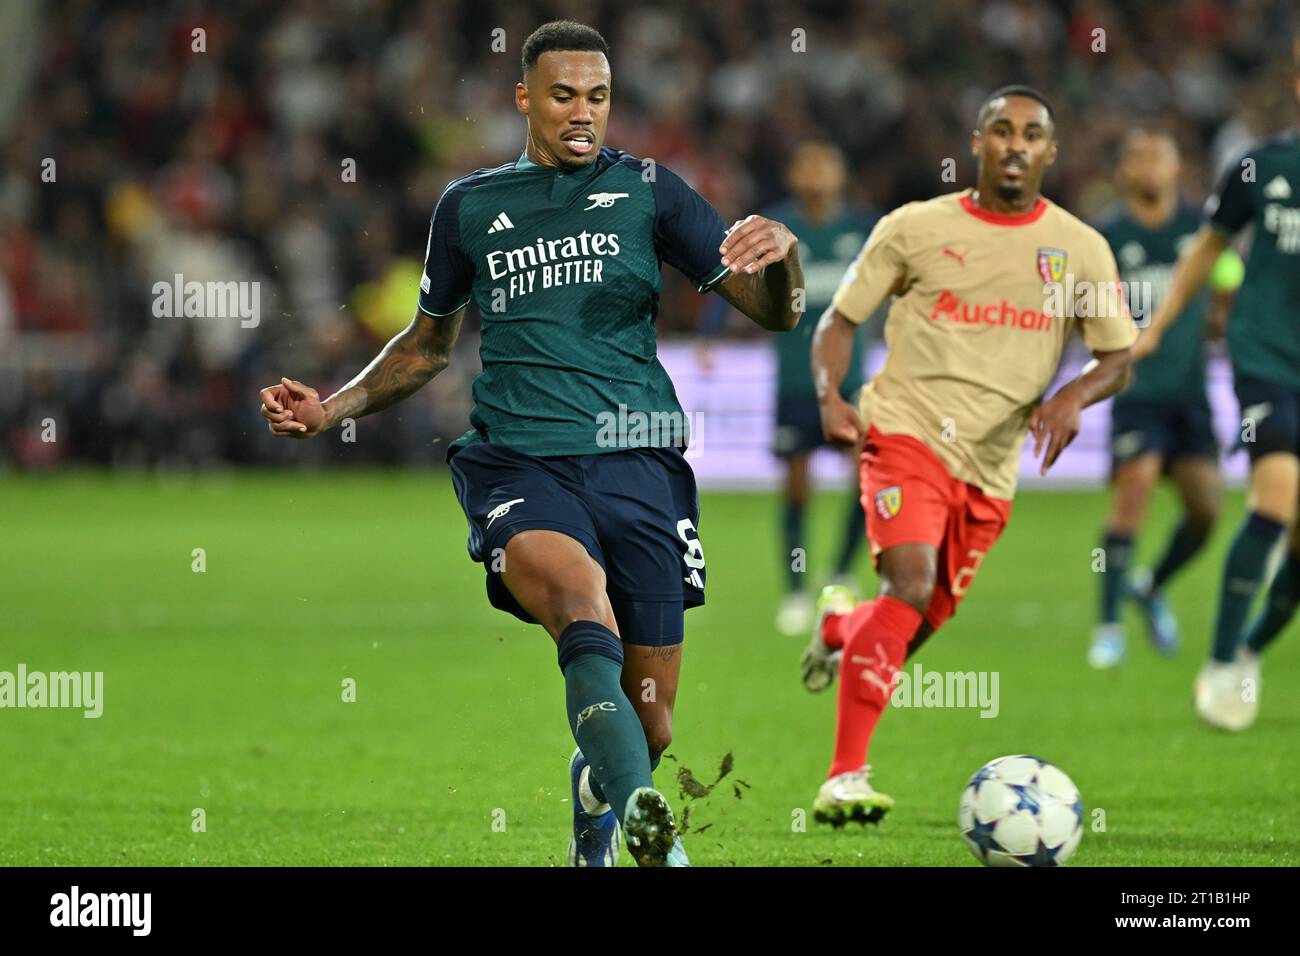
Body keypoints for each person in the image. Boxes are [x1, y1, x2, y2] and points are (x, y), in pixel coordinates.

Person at [259, 20, 803, 865]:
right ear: (523, 98)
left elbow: (774, 313)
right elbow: (426, 347)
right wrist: (333, 408)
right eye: (563, 95)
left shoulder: (650, 191)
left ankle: (599, 790)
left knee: (651, 723)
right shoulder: (470, 206)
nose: (583, 112)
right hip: (521, 460)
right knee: (581, 605)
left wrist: (787, 260)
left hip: (640, 459)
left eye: (599, 96)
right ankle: (652, 834)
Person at [802, 86, 1135, 826]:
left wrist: (1075, 394)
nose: (1016, 145)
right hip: (906, 432)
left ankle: (839, 630)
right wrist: (831, 396)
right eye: (1002, 130)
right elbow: (838, 322)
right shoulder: (914, 227)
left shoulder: (1081, 248)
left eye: (1032, 134)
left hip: (990, 467)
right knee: (909, 584)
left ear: (1050, 151)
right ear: (978, 143)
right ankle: (844, 777)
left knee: (912, 620)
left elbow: (1118, 356)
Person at [1133, 45, 1300, 731]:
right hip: (1267, 356)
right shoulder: (1262, 167)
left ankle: (1251, 650)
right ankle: (1222, 660)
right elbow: (1207, 247)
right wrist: (1158, 324)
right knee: (1276, 496)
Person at [700, 142, 878, 636]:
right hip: (796, 382)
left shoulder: (863, 230)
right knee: (797, 488)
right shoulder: (774, 228)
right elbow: (729, 275)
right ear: (793, 175)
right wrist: (709, 334)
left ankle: (839, 573)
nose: (817, 173)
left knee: (867, 481)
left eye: (826, 164)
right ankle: (797, 592)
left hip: (849, 383)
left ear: (842, 175)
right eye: (808, 164)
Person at [1087, 128, 1241, 670]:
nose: (1150, 167)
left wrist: (1222, 314)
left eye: (1160, 158)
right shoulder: (1107, 238)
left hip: (1191, 394)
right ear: (1123, 172)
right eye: (1140, 158)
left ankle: (1150, 586)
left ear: (1178, 169)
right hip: (1137, 392)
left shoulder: (1202, 229)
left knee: (1207, 512)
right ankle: (1108, 628)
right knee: (1134, 493)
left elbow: (1228, 280)